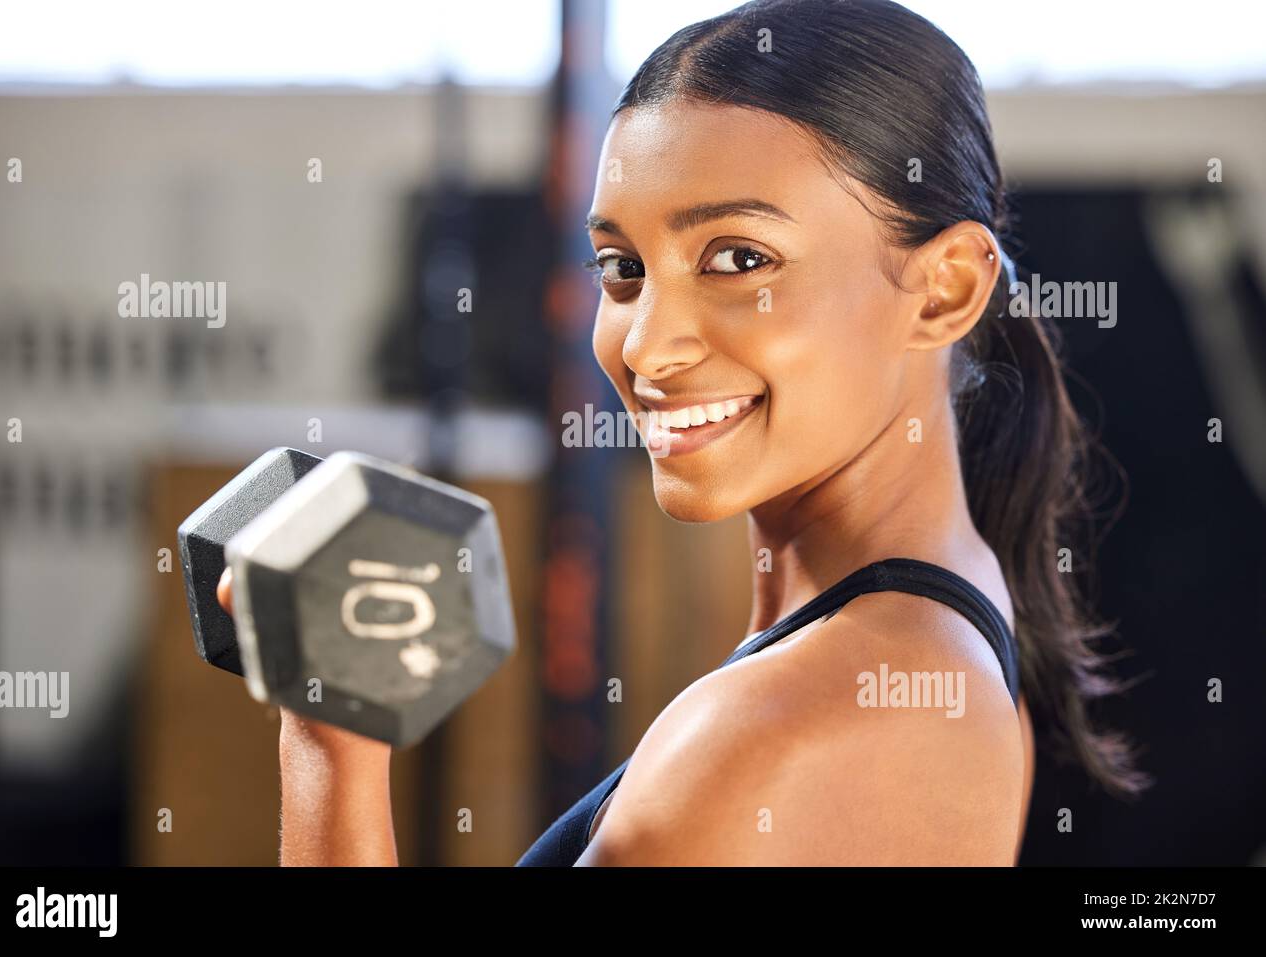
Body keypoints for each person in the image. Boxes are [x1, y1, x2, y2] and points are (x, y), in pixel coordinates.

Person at [218, 0, 1144, 866]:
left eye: (738, 260)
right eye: (621, 268)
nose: (648, 346)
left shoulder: (791, 723)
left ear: (943, 289)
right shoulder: (936, 630)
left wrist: (331, 736)